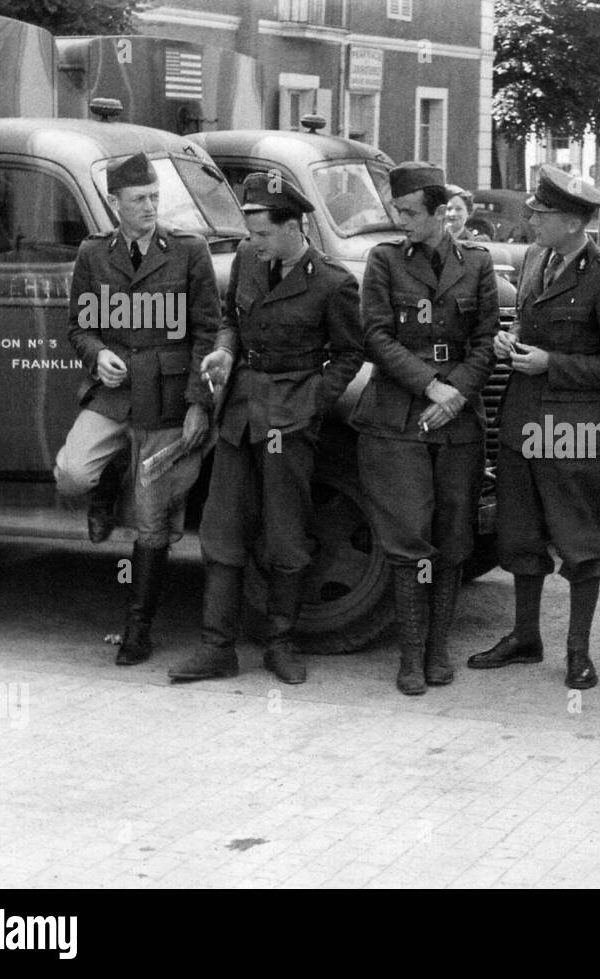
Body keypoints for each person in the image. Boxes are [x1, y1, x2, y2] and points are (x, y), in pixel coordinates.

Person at [168, 173, 364, 685]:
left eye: (261, 234)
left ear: (294, 227)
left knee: (286, 533)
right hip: (239, 415)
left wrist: (312, 403)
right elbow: (230, 319)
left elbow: (349, 354)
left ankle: (280, 643)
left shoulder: (332, 282)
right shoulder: (249, 263)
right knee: (222, 528)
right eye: (250, 234)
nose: (252, 243)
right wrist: (224, 352)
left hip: (289, 420)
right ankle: (217, 648)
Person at [468, 164, 600, 689]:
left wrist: (551, 363)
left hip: (576, 431)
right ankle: (525, 637)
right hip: (522, 422)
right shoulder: (537, 260)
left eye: (541, 214)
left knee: (580, 540)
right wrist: (511, 340)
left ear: (571, 222)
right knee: (520, 535)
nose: (532, 220)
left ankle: (578, 651)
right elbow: (531, 323)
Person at [56, 151, 220, 666]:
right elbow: (79, 326)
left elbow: (206, 334)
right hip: (114, 393)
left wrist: (197, 403)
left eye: (154, 197)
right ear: (114, 203)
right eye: (139, 199)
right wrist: (98, 353)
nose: (150, 207)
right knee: (72, 475)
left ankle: (137, 628)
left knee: (152, 519)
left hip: (167, 399)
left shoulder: (189, 251)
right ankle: (110, 480)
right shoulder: (93, 253)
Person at [353, 162, 498, 695]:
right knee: (409, 537)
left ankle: (439, 652)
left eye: (411, 213)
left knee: (454, 538)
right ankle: (410, 658)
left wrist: (457, 392)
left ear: (442, 214)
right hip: (400, 417)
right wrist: (430, 387)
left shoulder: (476, 263)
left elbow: (486, 339)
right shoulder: (385, 260)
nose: (401, 220)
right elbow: (375, 335)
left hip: (457, 421)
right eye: (397, 211)